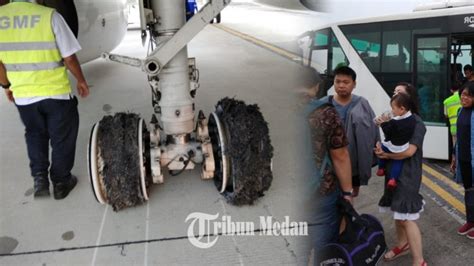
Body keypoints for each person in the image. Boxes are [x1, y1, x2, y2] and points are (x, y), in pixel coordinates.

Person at [0, 0, 89, 199]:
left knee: (35, 134)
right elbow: (69, 58)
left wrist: (6, 86)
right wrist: (81, 80)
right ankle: (61, 182)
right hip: (55, 92)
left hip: (24, 96)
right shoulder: (49, 16)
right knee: (62, 137)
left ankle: (39, 179)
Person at [297, 67, 353, 264]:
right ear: (317, 86)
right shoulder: (326, 113)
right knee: (324, 249)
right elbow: (340, 156)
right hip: (321, 191)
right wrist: (347, 193)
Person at [375, 82, 427, 266]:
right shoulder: (395, 119)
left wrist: (386, 154)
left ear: (408, 99)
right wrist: (382, 149)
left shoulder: (417, 123)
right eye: (394, 91)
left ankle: (419, 261)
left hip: (408, 175)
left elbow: (409, 152)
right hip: (392, 172)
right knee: (396, 210)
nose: (394, 95)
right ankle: (402, 244)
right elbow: (391, 140)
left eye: (399, 92)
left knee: (406, 216)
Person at [320, 66, 379, 197]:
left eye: (346, 82)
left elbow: (374, 130)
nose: (341, 85)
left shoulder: (362, 103)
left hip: (354, 163)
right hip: (328, 165)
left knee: (350, 198)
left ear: (354, 84)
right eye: (337, 82)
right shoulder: (323, 104)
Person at [376, 93, 417, 190]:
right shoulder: (412, 119)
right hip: (402, 146)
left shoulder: (395, 122)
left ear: (402, 109)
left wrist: (383, 123)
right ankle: (393, 179)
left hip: (392, 145)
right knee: (398, 162)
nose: (392, 111)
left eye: (393, 108)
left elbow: (387, 131)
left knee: (382, 149)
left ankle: (381, 168)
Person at [451, 81, 474, 240]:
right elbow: (459, 138)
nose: (464, 98)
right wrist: (454, 157)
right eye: (462, 95)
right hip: (464, 159)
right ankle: (470, 221)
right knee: (468, 191)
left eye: (468, 95)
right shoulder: (460, 111)